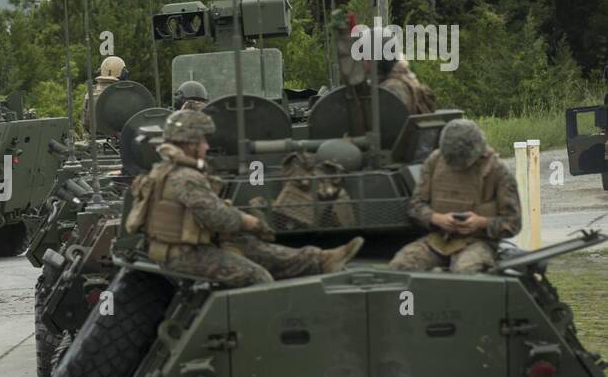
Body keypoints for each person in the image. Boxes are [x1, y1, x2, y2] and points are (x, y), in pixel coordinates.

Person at [126, 109, 363, 287]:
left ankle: (319, 261)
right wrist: (250, 222)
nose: (207, 146)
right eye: (203, 141)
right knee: (258, 277)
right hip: (183, 255)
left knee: (254, 248)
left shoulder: (165, 169)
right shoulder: (185, 176)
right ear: (190, 143)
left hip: (184, 248)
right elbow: (219, 218)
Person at [388, 118, 521, 273]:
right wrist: (436, 218)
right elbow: (415, 206)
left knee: (466, 273)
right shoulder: (435, 161)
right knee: (400, 267)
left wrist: (480, 222)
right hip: (438, 240)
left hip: (478, 242)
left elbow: (513, 223)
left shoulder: (498, 171)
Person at [80, 56, 127, 135]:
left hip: (95, 139)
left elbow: (85, 122)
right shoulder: (125, 93)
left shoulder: (90, 93)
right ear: (123, 73)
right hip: (120, 139)